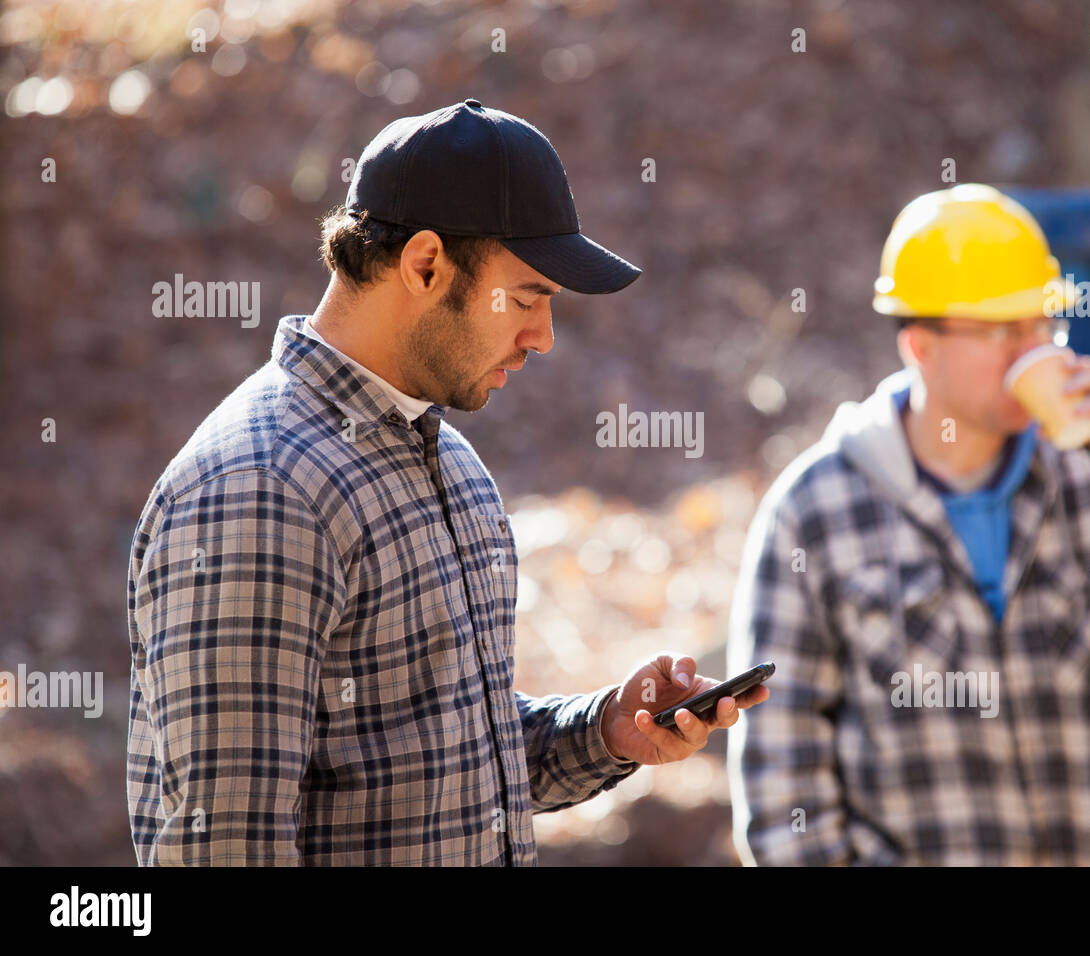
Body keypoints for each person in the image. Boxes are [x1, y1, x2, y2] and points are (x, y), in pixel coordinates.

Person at [126, 100, 767, 866]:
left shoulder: (452, 465)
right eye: (528, 297)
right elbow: (225, 849)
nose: (543, 337)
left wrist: (605, 731)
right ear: (426, 263)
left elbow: (455, 756)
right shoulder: (260, 492)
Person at [727, 184, 1090, 865]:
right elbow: (781, 784)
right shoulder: (813, 513)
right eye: (1002, 331)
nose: (1032, 350)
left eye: (1042, 326)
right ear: (921, 346)